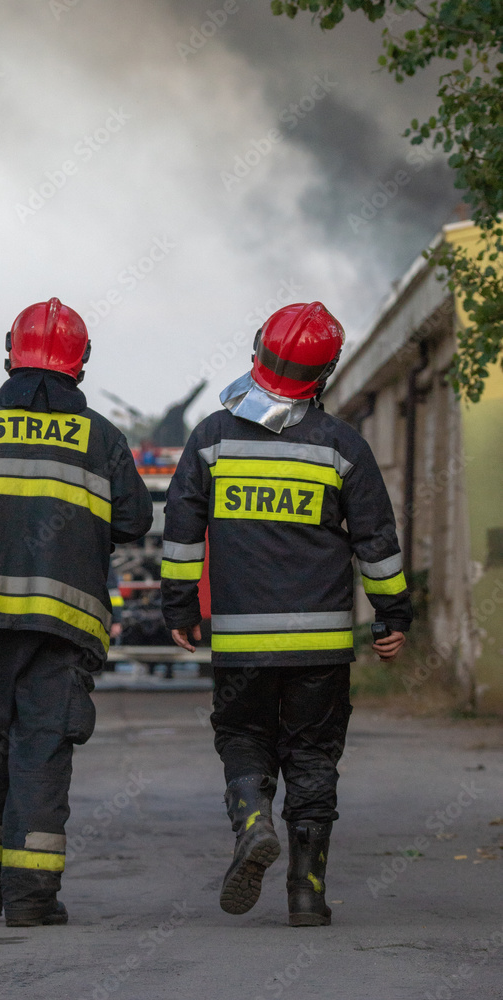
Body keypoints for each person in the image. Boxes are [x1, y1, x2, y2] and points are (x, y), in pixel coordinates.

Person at [161, 301, 412, 926]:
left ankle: (252, 822)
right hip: (320, 643)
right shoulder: (342, 445)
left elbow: (183, 533)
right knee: (312, 754)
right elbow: (376, 540)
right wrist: (393, 614)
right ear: (324, 373)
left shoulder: (211, 438)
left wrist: (180, 607)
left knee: (244, 736)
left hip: (242, 641)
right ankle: (307, 896)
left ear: (259, 351)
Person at [0, 297, 152, 927]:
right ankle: (29, 900)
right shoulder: (101, 436)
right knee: (41, 751)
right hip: (62, 627)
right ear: (81, 364)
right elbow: (133, 519)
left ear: (10, 354)